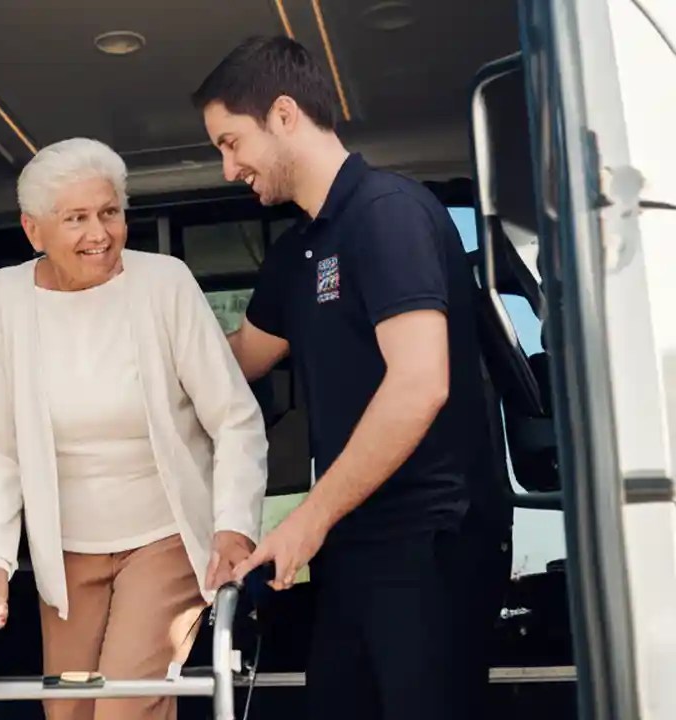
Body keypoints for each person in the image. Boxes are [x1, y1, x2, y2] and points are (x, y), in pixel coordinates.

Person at [191, 36, 513, 720]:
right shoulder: (297, 251)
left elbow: (420, 383)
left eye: (230, 142)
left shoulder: (386, 214)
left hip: (430, 545)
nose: (227, 169)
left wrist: (306, 520)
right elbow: (234, 361)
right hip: (351, 549)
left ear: (283, 114)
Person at [0, 137, 271, 720]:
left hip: (164, 536)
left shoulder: (164, 283)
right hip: (66, 550)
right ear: (34, 231)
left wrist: (232, 528)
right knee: (69, 713)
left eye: (109, 212)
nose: (98, 234)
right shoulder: (3, 298)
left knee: (126, 708)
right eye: (76, 218)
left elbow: (233, 418)